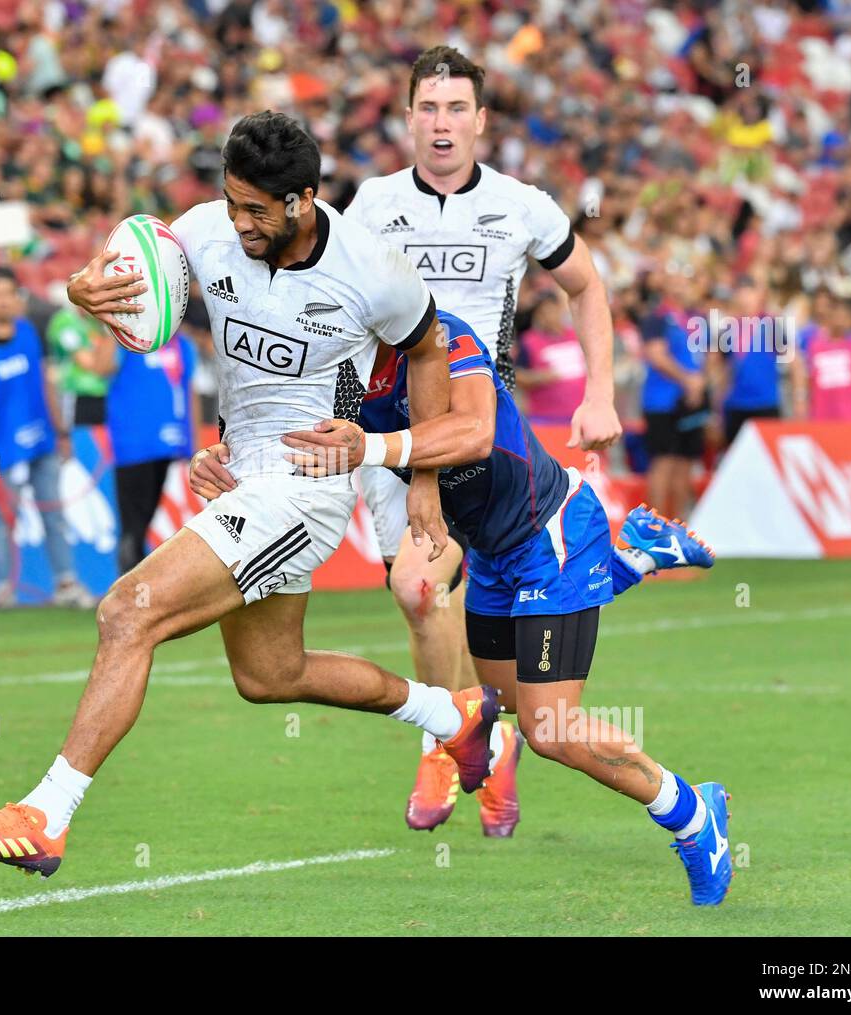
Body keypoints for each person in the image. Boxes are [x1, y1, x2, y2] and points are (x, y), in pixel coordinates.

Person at [0, 112, 486, 879]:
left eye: (257, 209)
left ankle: (45, 813)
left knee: (127, 610)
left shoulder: (372, 267)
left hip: (306, 488)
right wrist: (79, 288)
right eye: (231, 202)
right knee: (270, 674)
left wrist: (422, 477)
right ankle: (450, 712)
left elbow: (428, 350)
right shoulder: (204, 231)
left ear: (303, 198)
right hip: (241, 473)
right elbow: (119, 268)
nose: (239, 222)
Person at [280, 310, 730, 905]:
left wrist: (394, 461)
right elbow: (309, 443)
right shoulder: (347, 374)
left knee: (550, 729)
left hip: (550, 534)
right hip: (491, 556)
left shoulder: (443, 335)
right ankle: (633, 561)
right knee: (509, 703)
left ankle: (693, 815)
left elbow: (474, 432)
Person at [341, 46, 623, 835]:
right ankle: (478, 736)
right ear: (407, 119)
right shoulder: (368, 206)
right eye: (428, 109)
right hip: (394, 425)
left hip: (480, 435)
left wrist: (599, 392)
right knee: (426, 597)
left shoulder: (519, 205)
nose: (442, 124)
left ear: (481, 121)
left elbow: (586, 284)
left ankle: (447, 741)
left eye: (456, 108)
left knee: (420, 587)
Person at [0, 267, 94, 610]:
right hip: (0, 448)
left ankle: (65, 582)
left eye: (10, 292)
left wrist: (61, 431)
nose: (4, 300)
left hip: (43, 439)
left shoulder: (30, 333)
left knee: (53, 513)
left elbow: (47, 384)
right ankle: (1, 588)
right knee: (4, 517)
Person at [105, 331, 198, 574]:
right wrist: (110, 327)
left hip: (168, 442)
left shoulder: (183, 344)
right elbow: (102, 367)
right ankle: (127, 584)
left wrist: (191, 441)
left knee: (145, 516)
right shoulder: (129, 338)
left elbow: (189, 391)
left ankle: (132, 585)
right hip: (132, 444)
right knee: (133, 521)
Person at [641, 266, 709, 520]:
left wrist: (700, 384)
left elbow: (705, 357)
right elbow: (657, 356)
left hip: (691, 401)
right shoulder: (657, 317)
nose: (682, 285)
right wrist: (689, 380)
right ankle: (655, 529)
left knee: (685, 464)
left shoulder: (695, 317)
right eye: (676, 280)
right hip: (662, 402)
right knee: (663, 464)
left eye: (685, 280)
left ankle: (679, 527)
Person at [707, 276, 801, 447]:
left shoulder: (771, 324)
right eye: (741, 293)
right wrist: (715, 411)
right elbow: (719, 369)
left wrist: (799, 399)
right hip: (735, 405)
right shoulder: (728, 328)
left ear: (759, 296)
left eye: (749, 293)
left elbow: (795, 363)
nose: (745, 299)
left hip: (765, 403)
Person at [515, 291, 588, 426]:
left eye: (551, 309)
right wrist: (538, 378)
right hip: (545, 419)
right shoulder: (529, 341)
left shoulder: (576, 335)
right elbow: (517, 374)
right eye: (542, 312)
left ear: (560, 309)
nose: (547, 316)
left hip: (580, 415)